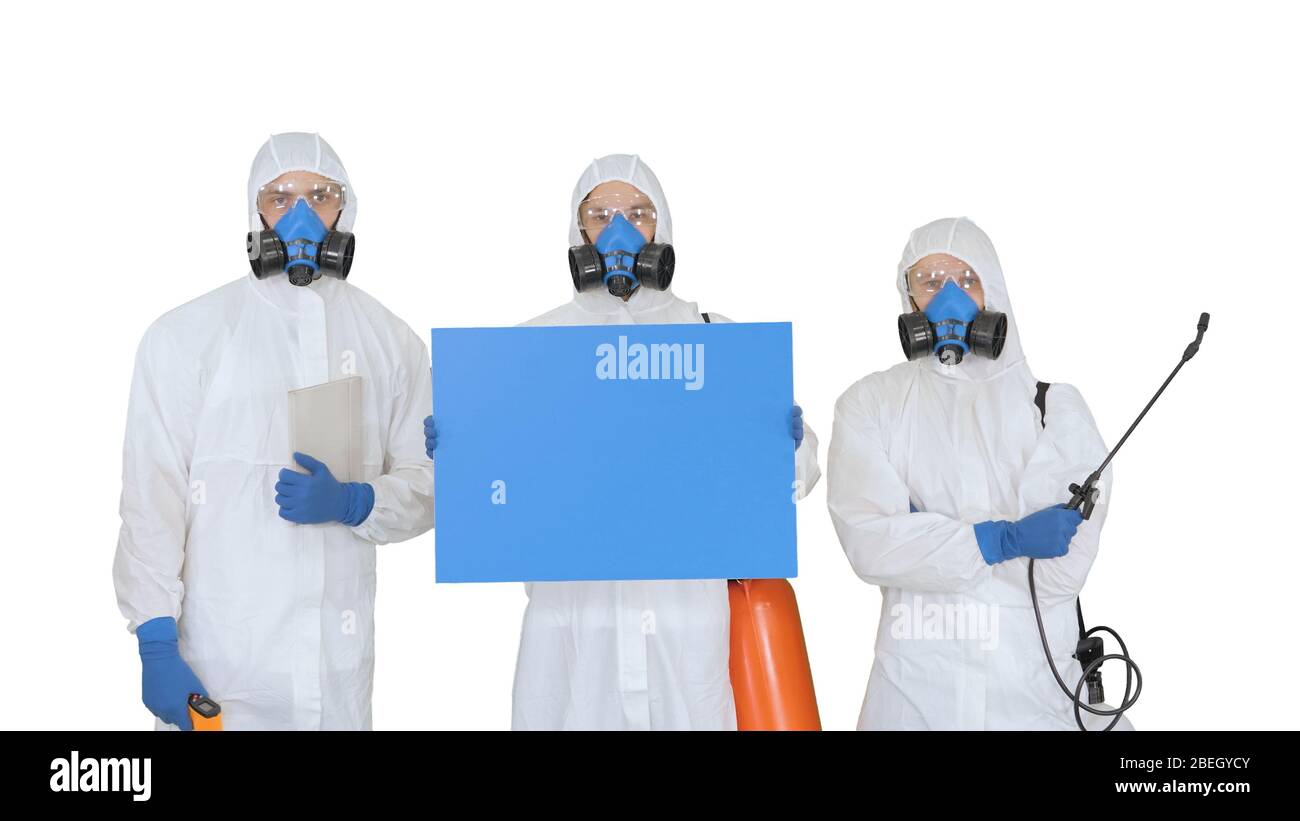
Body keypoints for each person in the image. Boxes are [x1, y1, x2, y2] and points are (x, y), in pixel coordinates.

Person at [428, 154, 819, 729]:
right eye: (601, 213)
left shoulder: (713, 338)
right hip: (572, 620)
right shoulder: (529, 348)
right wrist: (458, 452)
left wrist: (785, 442)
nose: (619, 229)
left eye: (637, 213)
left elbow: (800, 474)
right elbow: (485, 494)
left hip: (684, 616)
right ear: (577, 228)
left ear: (661, 228)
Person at [114, 132, 434, 730]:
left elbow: (431, 482)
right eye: (280, 197)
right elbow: (150, 498)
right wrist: (155, 641)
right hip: (218, 674)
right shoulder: (186, 336)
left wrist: (360, 501)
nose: (302, 214)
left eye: (321, 194)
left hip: (335, 684)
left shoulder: (392, 343)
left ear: (346, 207)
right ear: (255, 210)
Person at [826, 216, 1132, 730]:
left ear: (995, 288)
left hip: (1035, 687)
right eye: (930, 282)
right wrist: (1002, 540)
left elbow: (1058, 576)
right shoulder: (870, 404)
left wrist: (929, 536)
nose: (950, 298)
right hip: (916, 689)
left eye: (967, 280)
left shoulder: (1054, 409)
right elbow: (872, 546)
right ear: (909, 299)